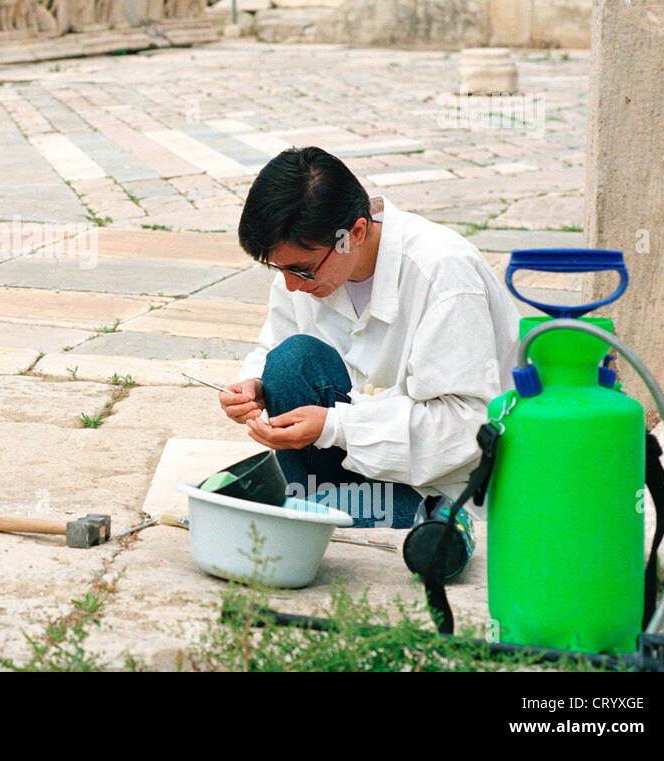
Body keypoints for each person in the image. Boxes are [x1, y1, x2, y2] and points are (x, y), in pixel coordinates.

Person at [218, 146, 520, 528]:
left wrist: (337, 426)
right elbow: (275, 348)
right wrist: (255, 387)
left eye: (304, 271)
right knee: (289, 360)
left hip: (441, 485)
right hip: (353, 459)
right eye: (280, 270)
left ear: (355, 233)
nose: (292, 285)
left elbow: (466, 427)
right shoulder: (307, 266)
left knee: (276, 521)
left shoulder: (443, 273)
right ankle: (318, 506)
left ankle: (321, 510)